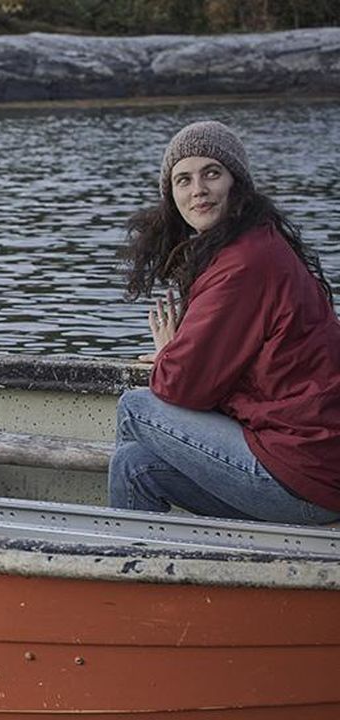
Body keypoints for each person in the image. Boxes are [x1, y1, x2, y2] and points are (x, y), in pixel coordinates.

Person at [108, 120, 340, 524]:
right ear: (172, 196)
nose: (197, 189)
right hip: (309, 465)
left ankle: (135, 564)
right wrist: (180, 354)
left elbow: (182, 385)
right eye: (183, 179)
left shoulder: (244, 263)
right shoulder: (255, 244)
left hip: (304, 475)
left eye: (211, 173)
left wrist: (168, 355)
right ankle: (136, 575)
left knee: (135, 406)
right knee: (134, 466)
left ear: (237, 183)